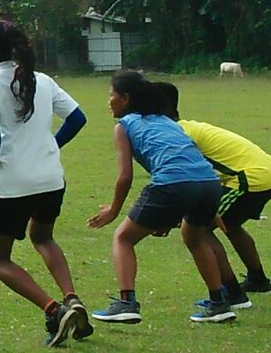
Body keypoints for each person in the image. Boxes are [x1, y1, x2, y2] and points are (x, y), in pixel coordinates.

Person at [0, 20, 90, 347]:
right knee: (43, 237)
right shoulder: (41, 80)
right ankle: (72, 298)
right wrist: (51, 146)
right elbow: (77, 118)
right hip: (51, 179)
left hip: (12, 186)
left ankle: (54, 310)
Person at [88, 71, 235, 324]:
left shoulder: (123, 126)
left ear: (125, 98)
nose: (108, 101)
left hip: (175, 184)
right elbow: (189, 160)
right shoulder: (167, 121)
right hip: (209, 183)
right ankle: (219, 303)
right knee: (195, 237)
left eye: (111, 95)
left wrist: (113, 210)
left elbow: (125, 176)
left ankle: (126, 303)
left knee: (123, 238)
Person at [151, 81, 271, 304]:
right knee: (229, 224)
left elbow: (183, 181)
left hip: (248, 179)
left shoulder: (178, 134)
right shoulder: (185, 127)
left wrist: (169, 218)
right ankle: (258, 280)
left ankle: (232, 294)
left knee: (196, 230)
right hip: (266, 174)